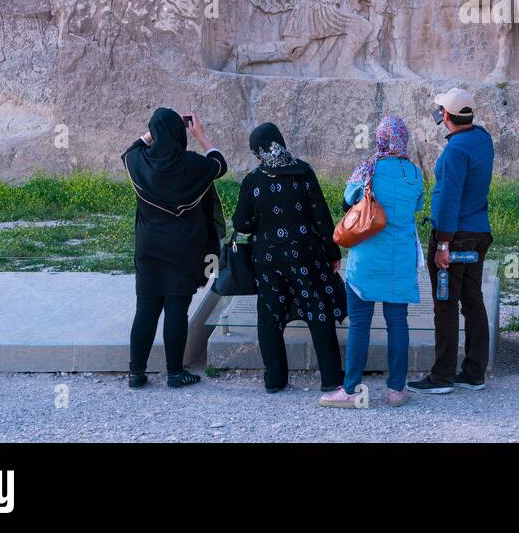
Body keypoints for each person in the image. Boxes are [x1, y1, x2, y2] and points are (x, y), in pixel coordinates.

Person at [233, 122, 346, 397]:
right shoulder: (303, 171)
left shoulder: (253, 181)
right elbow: (320, 215)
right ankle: (331, 378)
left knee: (270, 316)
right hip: (305, 257)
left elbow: (242, 225)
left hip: (268, 259)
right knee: (318, 312)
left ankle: (275, 379)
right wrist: (333, 253)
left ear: (259, 151)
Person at [321, 115, 425, 409]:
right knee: (398, 324)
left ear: (380, 138)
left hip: (367, 259)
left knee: (360, 326)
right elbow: (416, 205)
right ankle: (396, 390)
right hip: (400, 259)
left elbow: (347, 199)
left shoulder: (368, 168)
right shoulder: (414, 173)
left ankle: (351, 389)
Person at [123, 108, 228, 389]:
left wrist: (152, 131)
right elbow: (219, 164)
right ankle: (174, 372)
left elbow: (130, 150)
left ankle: (136, 373)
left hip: (149, 248)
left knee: (146, 308)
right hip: (183, 248)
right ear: (181, 134)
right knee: (176, 310)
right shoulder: (192, 165)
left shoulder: (138, 161)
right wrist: (200, 135)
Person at [407, 87, 495, 394]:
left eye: (440, 111)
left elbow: (448, 201)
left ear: (445, 115)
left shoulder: (454, 152)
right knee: (472, 301)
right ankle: (474, 373)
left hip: (455, 237)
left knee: (445, 304)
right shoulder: (482, 139)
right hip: (479, 232)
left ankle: (442, 376)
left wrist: (442, 244)